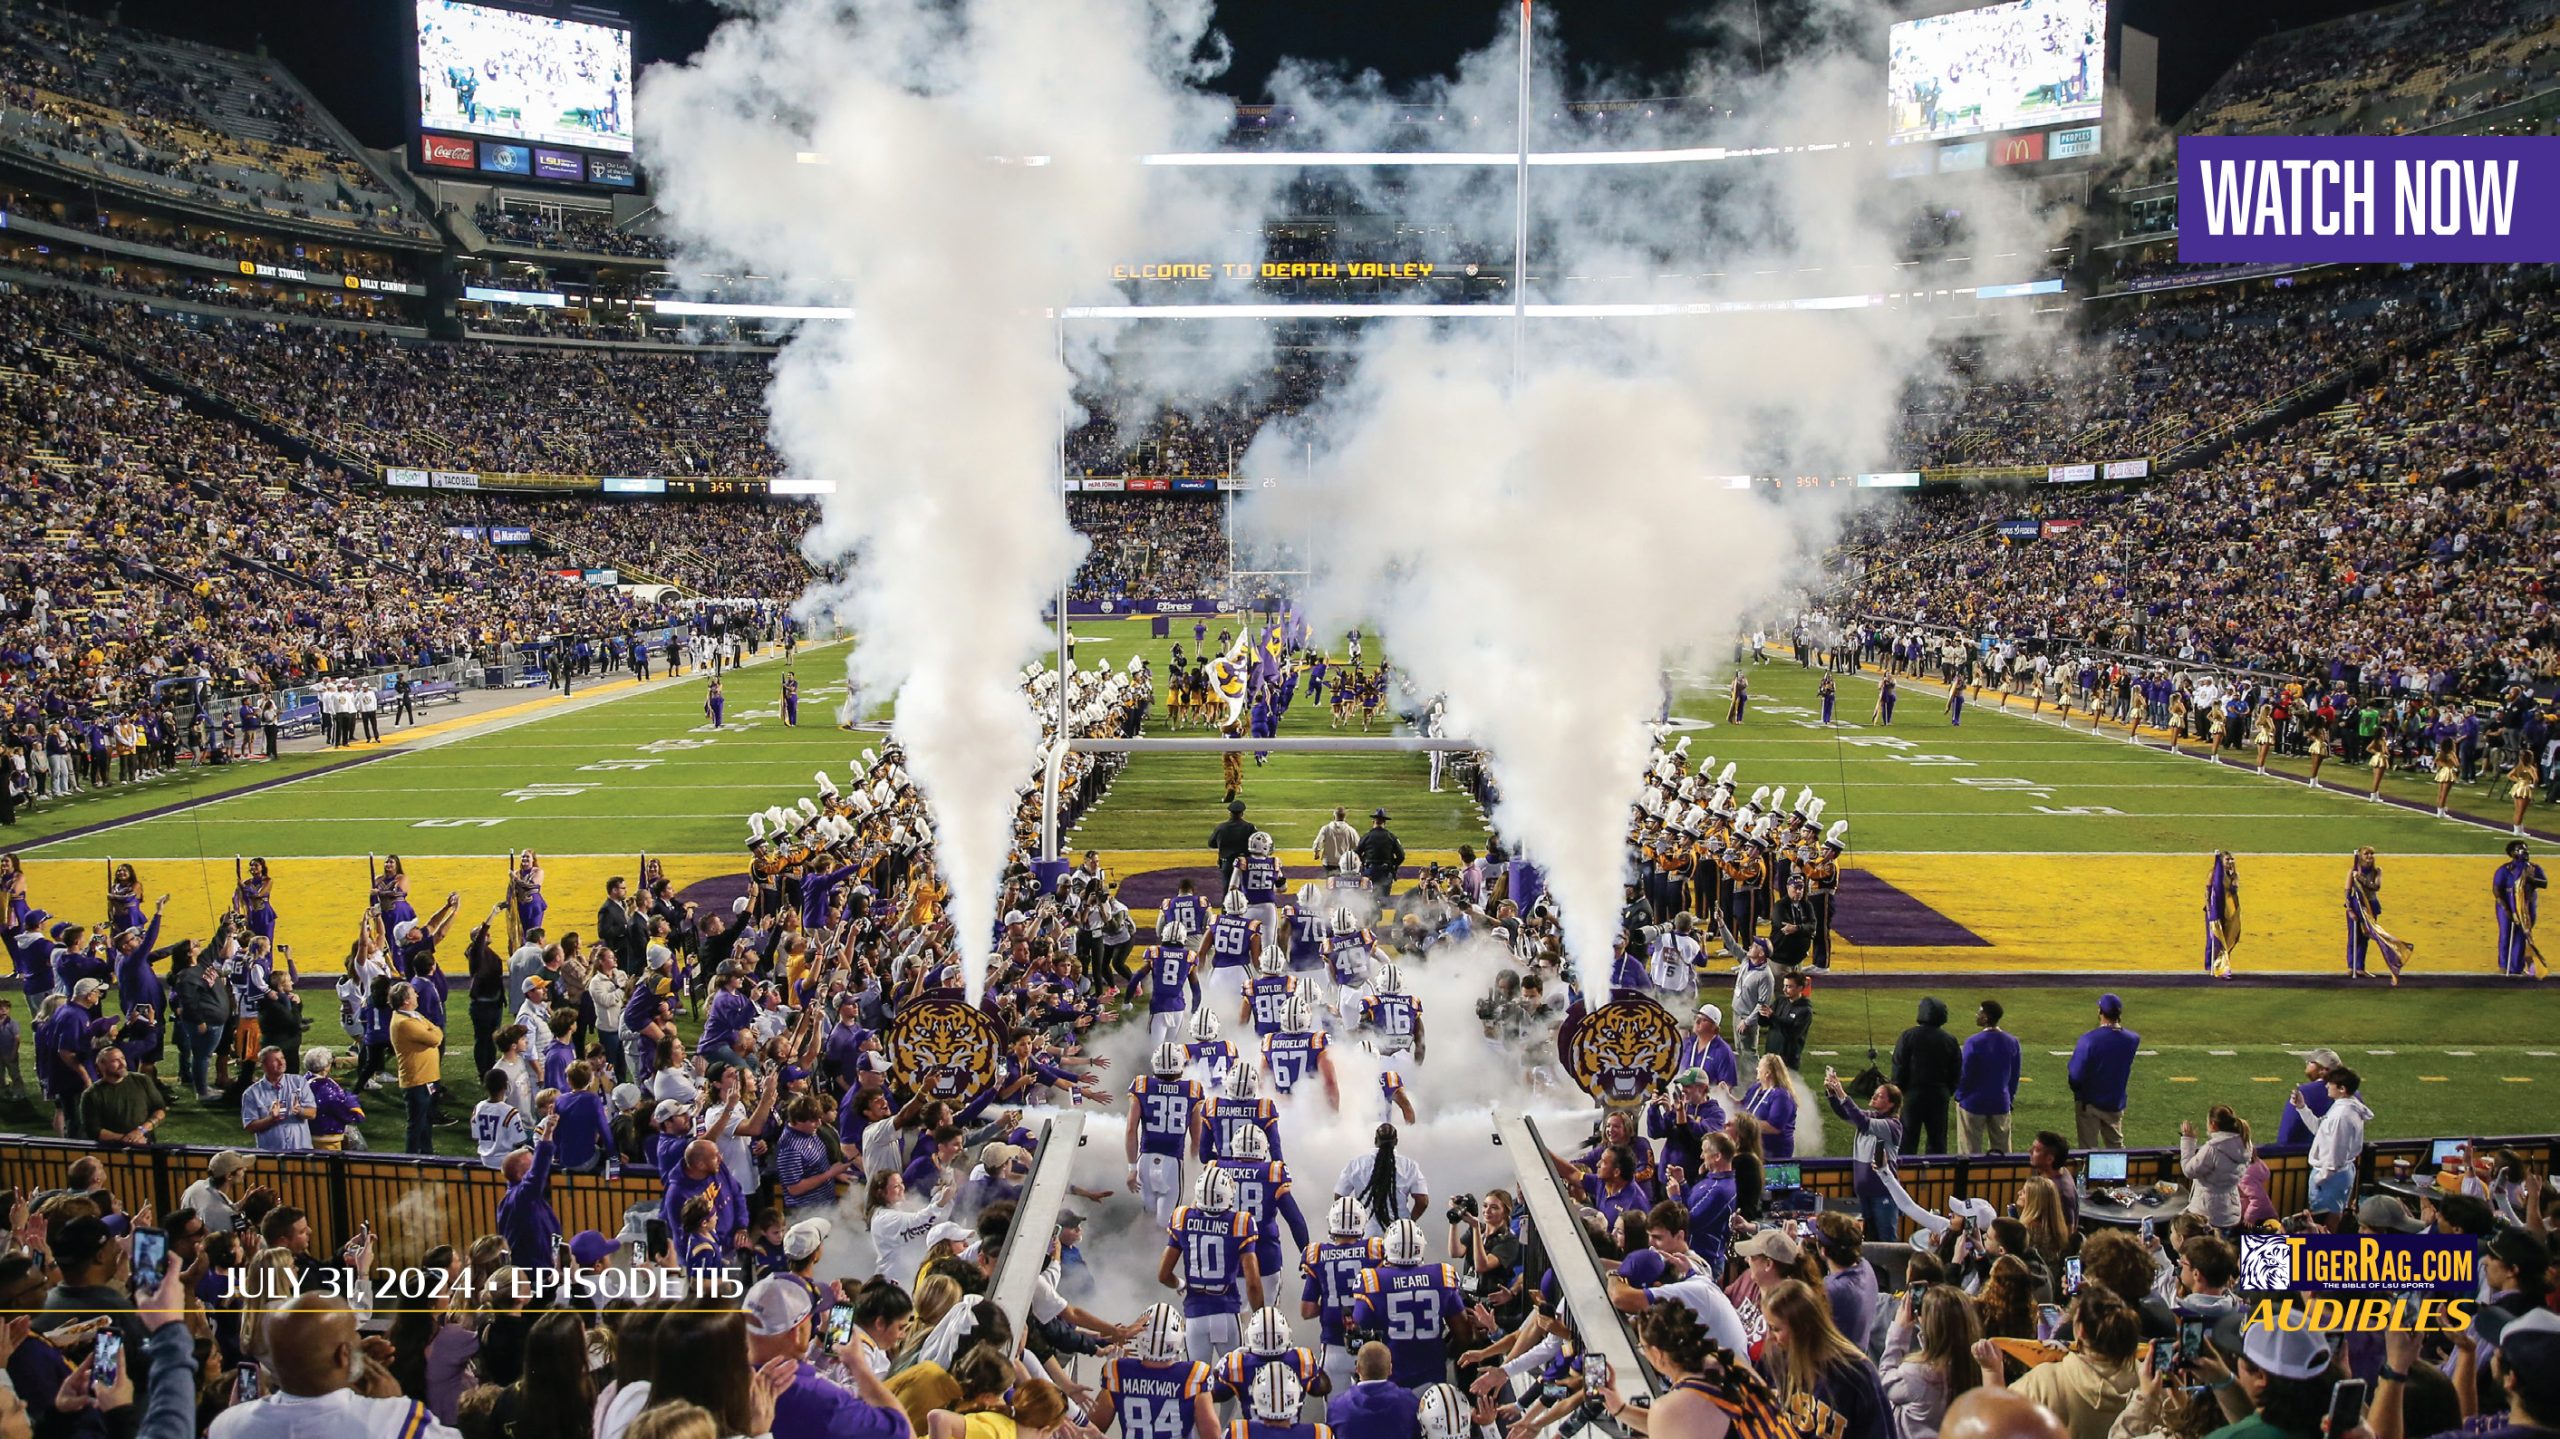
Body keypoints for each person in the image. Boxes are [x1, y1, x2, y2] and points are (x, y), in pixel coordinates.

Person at [207, 1294, 465, 1439]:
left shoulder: (226, 1426)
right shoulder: (393, 1419)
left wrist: (346, 1372)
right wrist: (392, 1403)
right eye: (355, 1335)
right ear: (344, 1354)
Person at [2002, 1285, 2141, 1439]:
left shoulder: (2044, 1383)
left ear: (2081, 1330)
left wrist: (1992, 1372)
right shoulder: (2151, 1386)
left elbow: (1996, 1421)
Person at [1764, 1277, 1893, 1439]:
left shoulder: (1856, 1374)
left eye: (1775, 1329)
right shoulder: (1774, 1359)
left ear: (1802, 1328)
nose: (1769, 1337)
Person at [1881, 1283, 1983, 1439]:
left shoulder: (1915, 1374)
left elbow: (1882, 1385)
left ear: (1930, 1325)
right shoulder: (1974, 1367)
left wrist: (1899, 1332)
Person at [1825, 1067, 1906, 1244]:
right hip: (1863, 1194)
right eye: (1875, 1094)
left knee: (1887, 1242)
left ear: (1891, 1104)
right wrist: (1832, 1093)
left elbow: (1861, 1120)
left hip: (1883, 1194)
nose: (1874, 1097)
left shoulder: (1892, 1126)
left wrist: (1841, 1092)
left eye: (1880, 1096)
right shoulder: (1871, 1116)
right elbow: (1846, 1113)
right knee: (1867, 1241)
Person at [1893, 998, 1963, 1156]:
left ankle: (1907, 1170)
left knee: (1907, 1139)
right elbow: (1956, 1070)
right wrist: (1947, 1090)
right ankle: (1937, 1170)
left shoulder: (1908, 1036)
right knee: (1937, 1140)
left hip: (1912, 1093)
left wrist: (1899, 1089)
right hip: (1939, 1094)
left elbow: (1899, 1065)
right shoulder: (1949, 1039)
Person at [2067, 994, 2139, 1148]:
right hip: (2115, 1101)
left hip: (2089, 1101)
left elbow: (2076, 1074)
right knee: (2116, 1147)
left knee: (2087, 1150)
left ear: (2100, 1012)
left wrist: (2078, 1092)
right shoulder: (2132, 1039)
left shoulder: (2089, 1039)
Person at [2298, 1065, 2370, 1217]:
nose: (2326, 1086)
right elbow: (2320, 1129)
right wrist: (2302, 1107)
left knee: (2326, 1221)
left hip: (2330, 1177)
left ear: (2342, 1089)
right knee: (2330, 1216)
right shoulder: (2345, 1108)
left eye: (2330, 1083)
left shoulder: (2342, 1115)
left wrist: (2320, 1178)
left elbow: (2337, 1152)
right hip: (2337, 1174)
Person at [1956, 1000, 2021, 1156]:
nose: (1977, 1015)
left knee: (1969, 1151)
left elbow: (1966, 1073)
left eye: (1980, 1012)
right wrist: (2009, 1097)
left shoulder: (1973, 1042)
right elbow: (2014, 1075)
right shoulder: (2012, 1041)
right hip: (2000, 1101)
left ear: (1985, 1017)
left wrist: (1960, 1095)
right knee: (2003, 1152)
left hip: (1973, 1102)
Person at [391, 980, 446, 1154]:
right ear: (406, 1000)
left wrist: (433, 1030)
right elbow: (436, 1037)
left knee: (426, 1121)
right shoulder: (405, 1022)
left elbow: (434, 1029)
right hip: (417, 1080)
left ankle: (427, 1155)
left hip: (427, 1078)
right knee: (416, 1124)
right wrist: (434, 1031)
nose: (417, 994)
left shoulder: (413, 1015)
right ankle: (410, 1160)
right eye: (413, 993)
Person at [2179, 1106, 2254, 1230]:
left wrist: (2188, 1140)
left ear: (2213, 1124)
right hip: (2230, 1210)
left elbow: (2189, 1171)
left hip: (2207, 1212)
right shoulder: (2245, 1143)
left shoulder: (2213, 1149)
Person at [1355, 809, 1404, 903]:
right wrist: (1392, 864)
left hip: (1369, 872)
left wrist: (1363, 861)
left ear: (1373, 822)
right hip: (1385, 873)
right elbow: (1401, 856)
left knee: (1368, 900)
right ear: (1384, 822)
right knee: (1383, 901)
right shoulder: (1391, 837)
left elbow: (1357, 853)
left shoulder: (1367, 836)